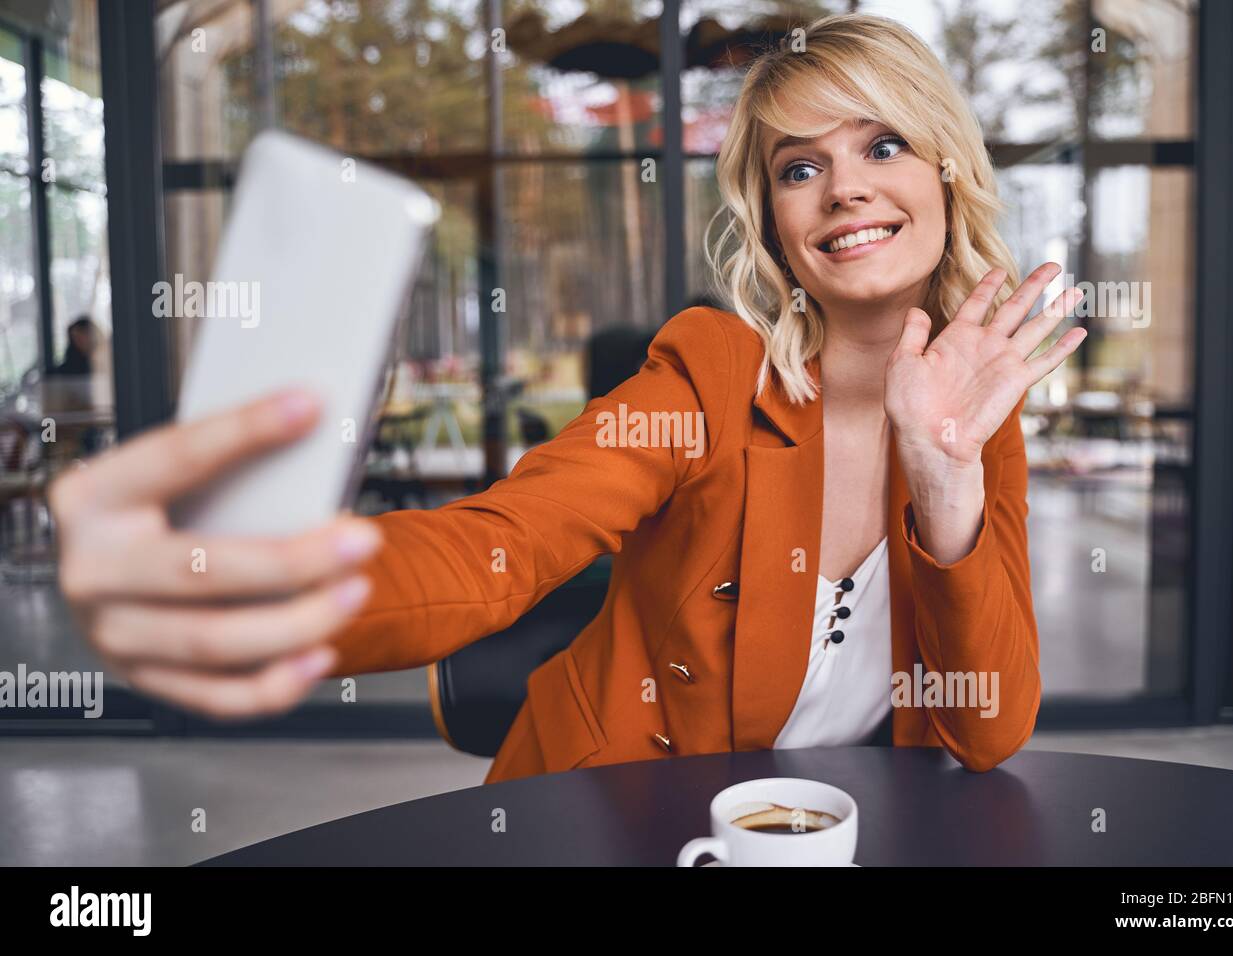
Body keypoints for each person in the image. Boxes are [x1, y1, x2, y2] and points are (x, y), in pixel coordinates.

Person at [50, 13, 1085, 783]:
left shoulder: (974, 418)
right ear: (774, 222)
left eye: (883, 145)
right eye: (799, 167)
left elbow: (986, 728)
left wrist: (943, 476)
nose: (845, 187)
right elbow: (502, 543)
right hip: (605, 816)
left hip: (811, 836)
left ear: (947, 173)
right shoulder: (712, 373)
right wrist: (268, 589)